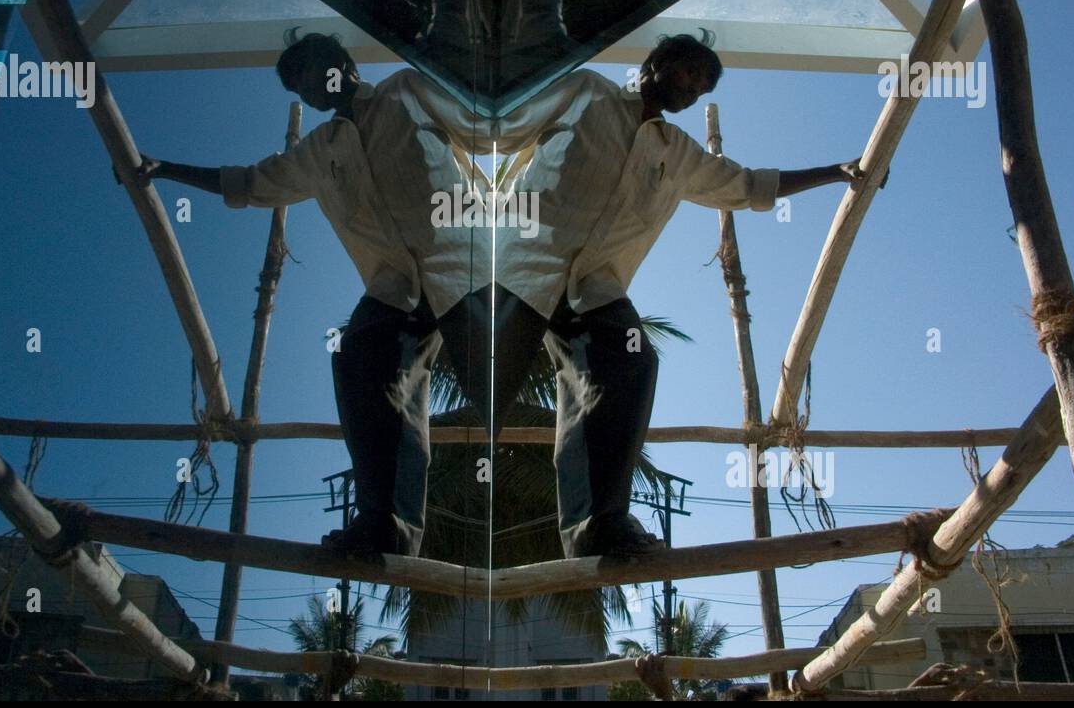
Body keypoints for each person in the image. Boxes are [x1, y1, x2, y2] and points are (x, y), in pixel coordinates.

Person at [490, 34, 887, 557]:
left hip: (594, 289)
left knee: (630, 366)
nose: (694, 91)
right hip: (516, 265)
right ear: (656, 63)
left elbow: (748, 185)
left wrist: (835, 172)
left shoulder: (678, 154)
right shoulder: (585, 93)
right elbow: (504, 116)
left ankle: (598, 528)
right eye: (689, 75)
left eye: (703, 89)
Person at [125, 31, 495, 558]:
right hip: (398, 289)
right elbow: (250, 183)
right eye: (300, 89)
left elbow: (483, 115)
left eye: (315, 71)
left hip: (474, 261)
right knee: (362, 353)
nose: (313, 91)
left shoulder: (410, 91)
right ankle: (387, 524)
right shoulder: (318, 154)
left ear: (344, 62)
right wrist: (166, 170)